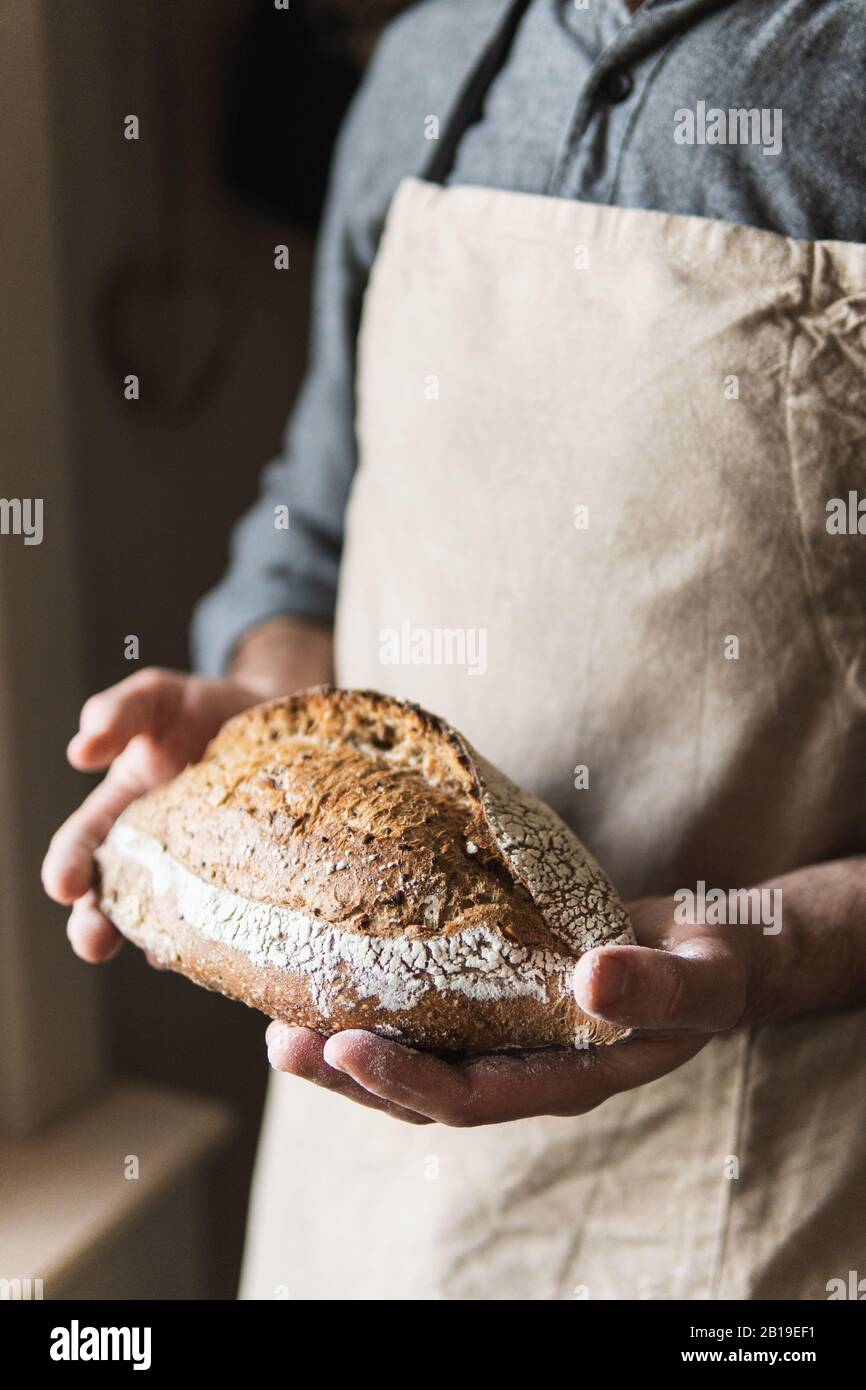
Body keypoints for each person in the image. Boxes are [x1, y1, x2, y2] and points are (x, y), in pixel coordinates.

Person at [43, 0, 866, 1300]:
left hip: (763, 1200)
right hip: (357, 1178)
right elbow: (312, 528)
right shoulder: (423, 66)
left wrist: (787, 943)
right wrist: (265, 693)